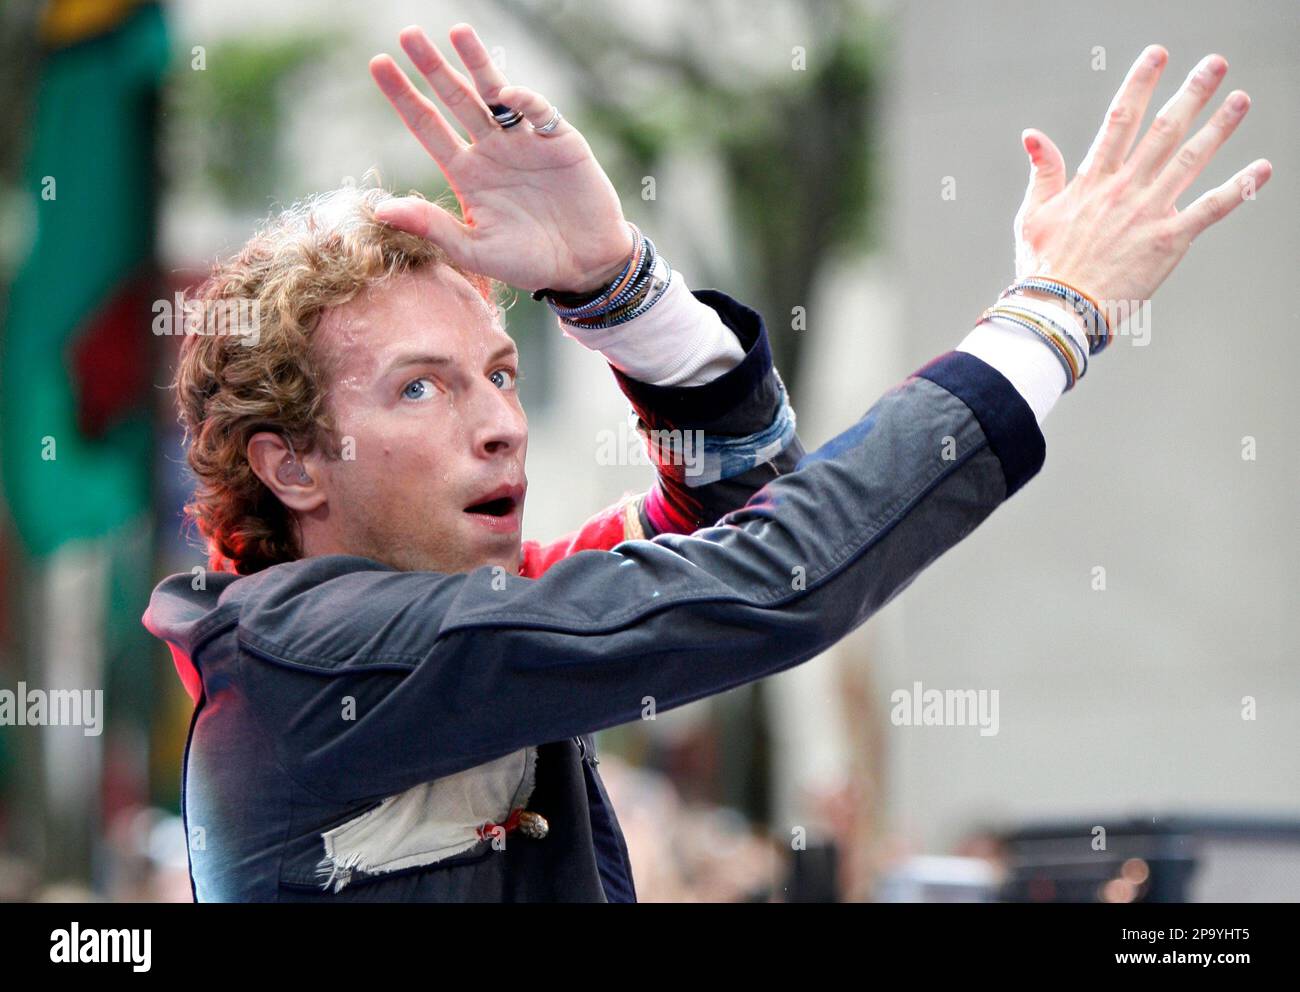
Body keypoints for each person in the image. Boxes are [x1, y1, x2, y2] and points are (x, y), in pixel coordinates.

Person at [143, 24, 1271, 902]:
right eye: (421, 386)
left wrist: (616, 285)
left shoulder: (470, 609)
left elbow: (741, 510)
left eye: (501, 371)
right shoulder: (312, 647)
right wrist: (1050, 318)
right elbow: (768, 577)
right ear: (291, 467)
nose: (501, 423)